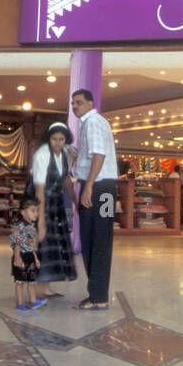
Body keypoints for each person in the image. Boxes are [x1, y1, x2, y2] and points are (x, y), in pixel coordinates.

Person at [71, 88, 117, 310]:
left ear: (90, 103)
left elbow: (99, 155)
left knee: (94, 239)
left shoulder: (93, 122)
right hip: (106, 188)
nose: (74, 106)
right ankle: (99, 294)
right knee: (101, 239)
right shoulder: (95, 123)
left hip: (98, 188)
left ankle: (98, 295)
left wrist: (88, 186)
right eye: (73, 103)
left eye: (78, 102)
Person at [29, 122, 77, 300]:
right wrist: (40, 221)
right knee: (42, 243)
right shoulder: (41, 154)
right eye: (54, 139)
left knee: (52, 245)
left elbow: (66, 178)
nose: (57, 143)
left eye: (61, 139)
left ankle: (46, 287)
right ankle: (37, 288)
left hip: (55, 202)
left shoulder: (64, 154)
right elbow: (39, 190)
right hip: (40, 202)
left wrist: (75, 201)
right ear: (48, 139)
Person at [11, 197, 45, 311]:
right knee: (20, 282)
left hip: (30, 257)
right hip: (21, 257)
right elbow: (16, 243)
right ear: (23, 212)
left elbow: (32, 247)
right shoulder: (19, 226)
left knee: (31, 280)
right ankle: (20, 303)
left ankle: (33, 301)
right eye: (33, 210)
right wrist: (17, 257)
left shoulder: (31, 226)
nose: (36, 214)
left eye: (37, 211)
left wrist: (36, 259)